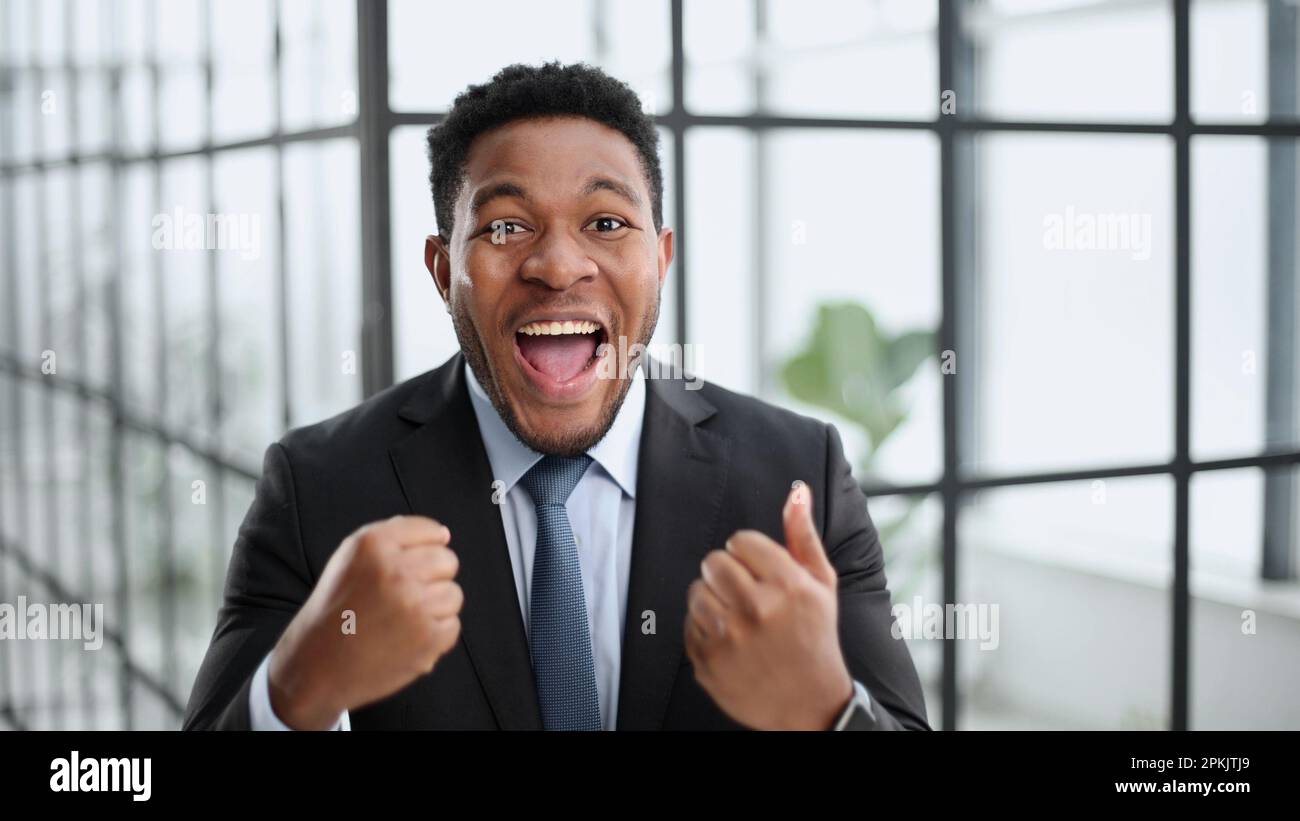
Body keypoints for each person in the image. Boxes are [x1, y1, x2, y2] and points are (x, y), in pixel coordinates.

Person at [182, 62, 928, 731]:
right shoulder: (318, 487)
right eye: (506, 226)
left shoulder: (802, 476)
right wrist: (300, 685)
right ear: (444, 272)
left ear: (660, 260)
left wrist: (829, 713)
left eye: (606, 223)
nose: (558, 263)